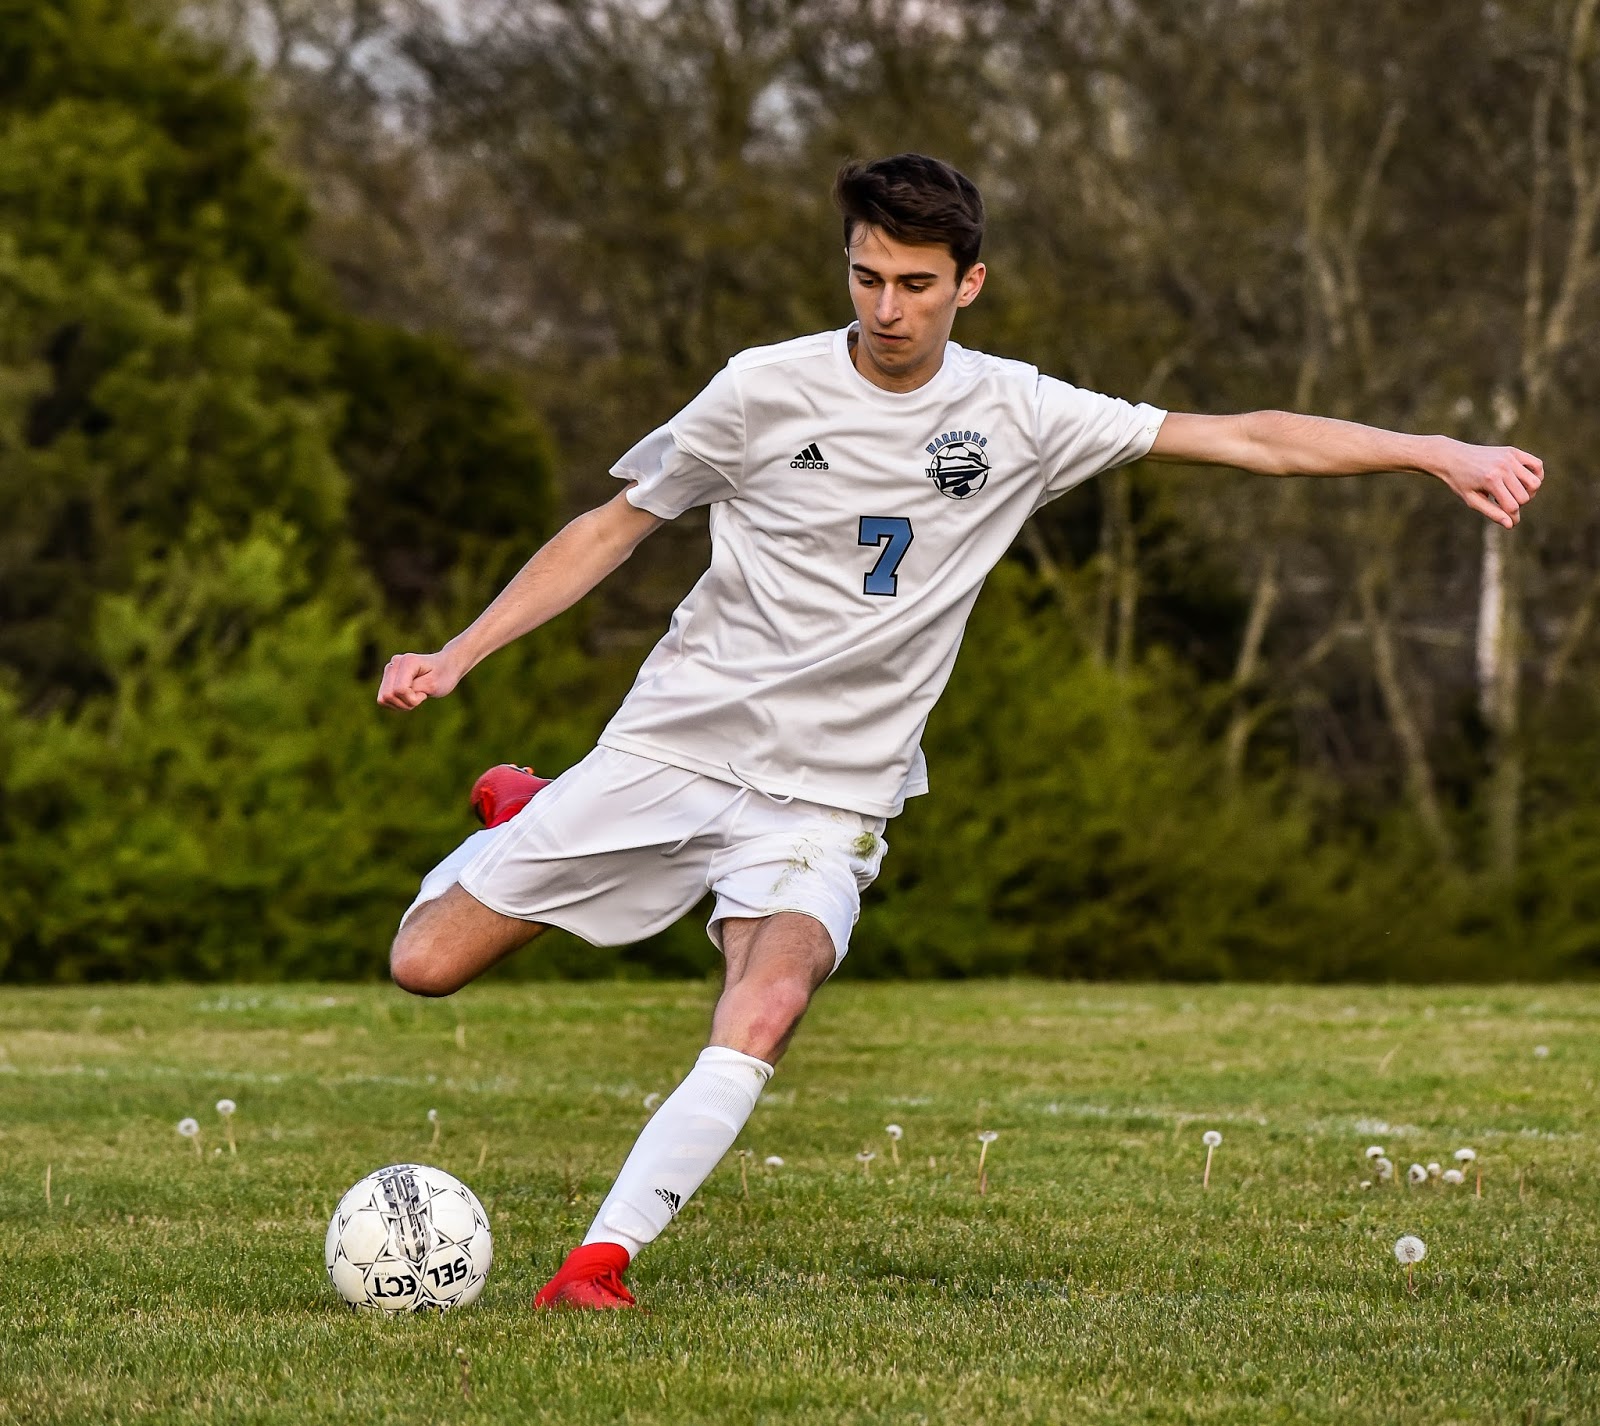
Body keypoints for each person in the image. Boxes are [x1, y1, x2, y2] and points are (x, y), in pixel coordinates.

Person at [376, 153, 1544, 1309]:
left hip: (833, 795)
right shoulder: (758, 389)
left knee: (768, 1003)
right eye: (866, 277)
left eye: (916, 284)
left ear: (967, 284)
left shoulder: (1020, 412)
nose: (887, 308)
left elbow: (1246, 436)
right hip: (677, 745)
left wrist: (1430, 449)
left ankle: (598, 1262)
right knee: (423, 966)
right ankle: (533, 807)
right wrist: (458, 652)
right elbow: (609, 529)